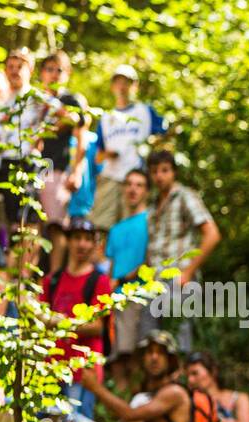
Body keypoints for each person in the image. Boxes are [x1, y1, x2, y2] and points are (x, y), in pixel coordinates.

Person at [145, 149, 220, 351]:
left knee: (178, 339)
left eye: (164, 170)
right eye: (154, 171)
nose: (159, 176)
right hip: (154, 280)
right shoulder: (152, 204)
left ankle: (182, 381)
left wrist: (188, 271)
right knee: (151, 341)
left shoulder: (185, 196)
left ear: (174, 172)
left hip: (178, 277)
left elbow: (212, 234)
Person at [40, 218, 115, 420]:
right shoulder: (52, 280)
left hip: (83, 372)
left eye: (87, 239)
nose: (82, 244)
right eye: (77, 238)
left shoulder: (99, 281)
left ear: (93, 244)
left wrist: (59, 321)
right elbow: (40, 316)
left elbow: (98, 326)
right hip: (52, 368)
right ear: (69, 241)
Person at [88, 65, 165, 231]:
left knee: (130, 227)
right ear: (113, 86)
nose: (122, 87)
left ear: (135, 86)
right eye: (119, 82)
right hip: (110, 178)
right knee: (100, 226)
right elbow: (97, 156)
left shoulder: (144, 111)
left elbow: (164, 138)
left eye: (127, 83)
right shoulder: (106, 117)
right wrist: (107, 154)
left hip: (135, 178)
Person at [34, 51, 89, 274]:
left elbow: (81, 138)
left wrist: (77, 172)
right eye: (49, 69)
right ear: (41, 72)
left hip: (56, 170)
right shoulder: (33, 100)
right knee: (31, 227)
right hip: (31, 170)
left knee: (56, 226)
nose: (54, 74)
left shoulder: (70, 101)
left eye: (59, 70)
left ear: (67, 73)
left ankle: (55, 279)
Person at [0, 47, 57, 238]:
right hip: (3, 164)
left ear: (30, 70)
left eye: (19, 66)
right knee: (7, 220)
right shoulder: (3, 101)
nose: (14, 71)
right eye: (10, 67)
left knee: (26, 221)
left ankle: (24, 266)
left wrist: (41, 135)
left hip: (27, 164)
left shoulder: (37, 97)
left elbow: (70, 117)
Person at [102, 168, 151, 372]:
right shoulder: (115, 229)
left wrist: (124, 279)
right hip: (115, 299)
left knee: (136, 357)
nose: (133, 189)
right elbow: (110, 265)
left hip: (140, 297)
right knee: (116, 360)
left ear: (147, 191)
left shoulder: (151, 220)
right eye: (129, 184)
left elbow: (152, 259)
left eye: (139, 185)